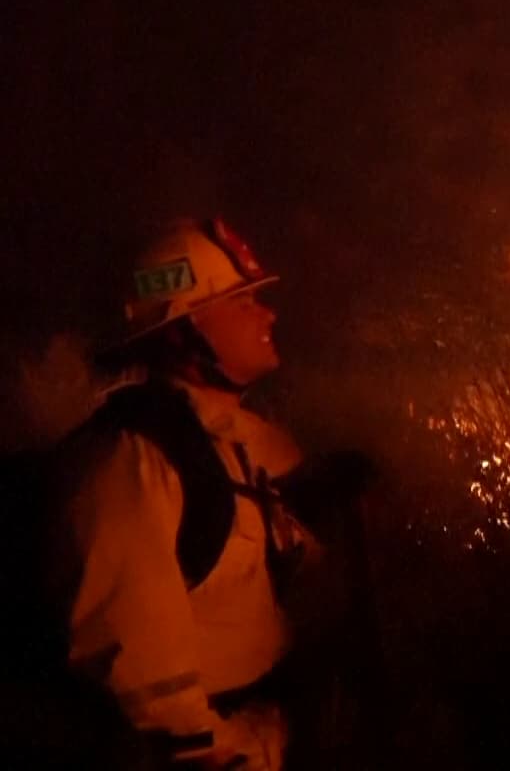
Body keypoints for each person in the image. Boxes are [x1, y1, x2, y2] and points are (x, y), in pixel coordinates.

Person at [51, 218, 317, 768]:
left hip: (267, 728)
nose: (267, 314)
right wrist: (234, 755)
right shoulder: (132, 460)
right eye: (242, 301)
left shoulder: (239, 439)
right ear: (183, 331)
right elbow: (148, 686)